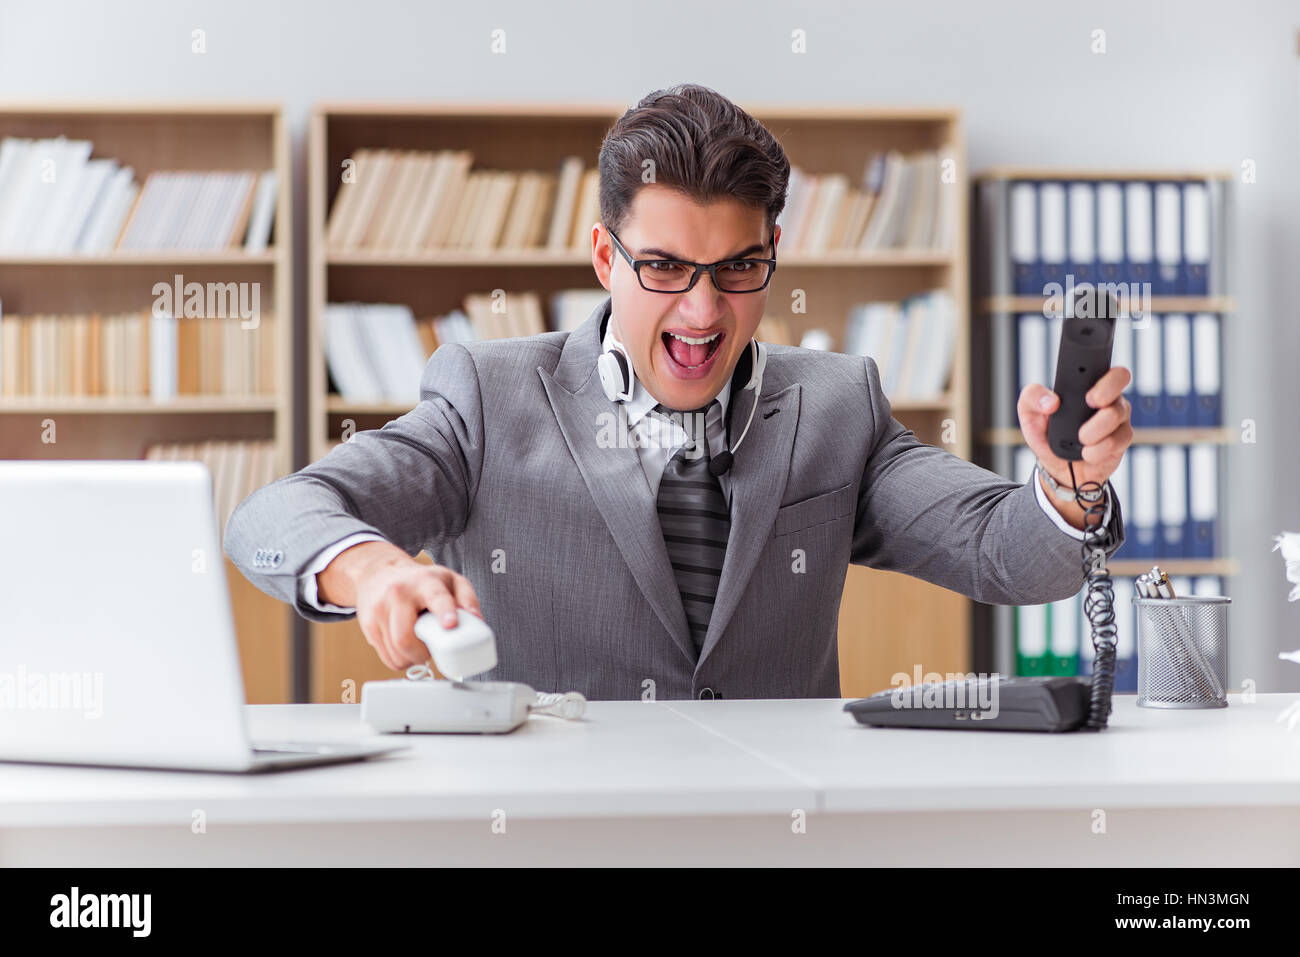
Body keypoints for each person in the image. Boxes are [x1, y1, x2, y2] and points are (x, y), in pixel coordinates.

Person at [225, 83, 1132, 700]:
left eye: (738, 266)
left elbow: (1005, 552)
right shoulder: (490, 395)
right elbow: (276, 513)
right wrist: (376, 567)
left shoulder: (839, 404)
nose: (702, 310)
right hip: (548, 832)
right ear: (602, 257)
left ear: (773, 253)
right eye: (662, 265)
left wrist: (1067, 486)